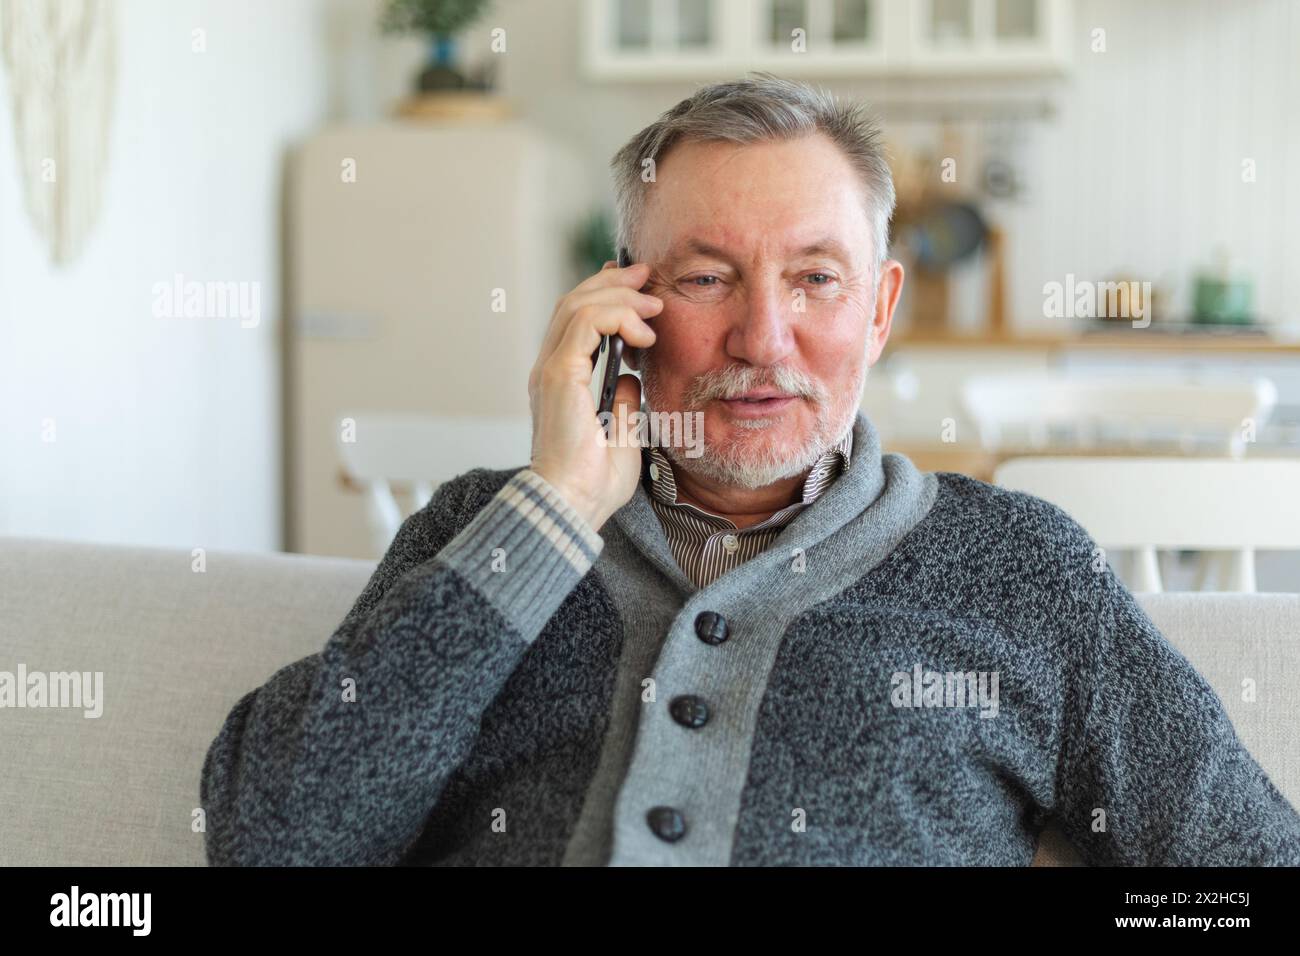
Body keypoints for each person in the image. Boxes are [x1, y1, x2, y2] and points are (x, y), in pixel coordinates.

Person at [201, 72, 1300, 866]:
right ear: (620, 304)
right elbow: (276, 840)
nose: (763, 338)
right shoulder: (485, 530)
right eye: (707, 277)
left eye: (816, 278)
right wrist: (552, 510)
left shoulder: (1021, 567)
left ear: (878, 310)